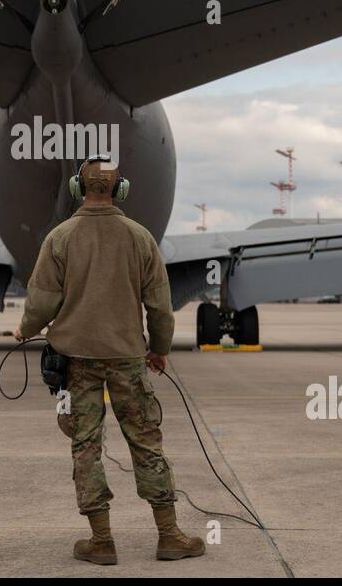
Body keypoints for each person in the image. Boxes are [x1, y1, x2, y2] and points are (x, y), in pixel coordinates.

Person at [14, 155, 206, 565]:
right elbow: (159, 306)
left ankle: (101, 541)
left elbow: (42, 300)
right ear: (121, 189)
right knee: (145, 441)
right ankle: (169, 535)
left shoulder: (59, 238)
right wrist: (159, 349)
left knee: (85, 446)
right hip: (128, 358)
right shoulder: (140, 238)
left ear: (77, 188)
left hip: (75, 361)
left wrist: (26, 330)